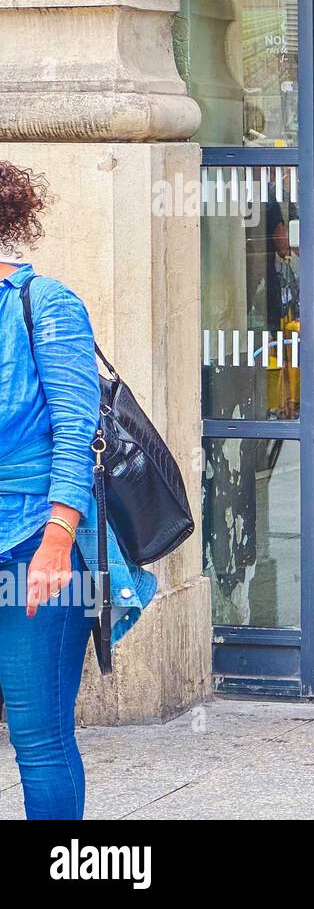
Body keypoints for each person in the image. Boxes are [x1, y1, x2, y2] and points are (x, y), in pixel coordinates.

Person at [0, 160, 155, 818]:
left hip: (38, 542)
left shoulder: (45, 305)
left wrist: (58, 541)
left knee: (38, 736)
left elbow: (76, 432)